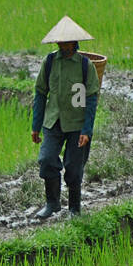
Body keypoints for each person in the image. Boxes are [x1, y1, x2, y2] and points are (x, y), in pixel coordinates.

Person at [31, 16, 100, 219]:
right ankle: (52, 204)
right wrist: (36, 126)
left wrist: (87, 130)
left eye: (66, 41)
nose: (63, 45)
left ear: (74, 42)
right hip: (53, 121)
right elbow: (40, 93)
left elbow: (91, 99)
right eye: (60, 42)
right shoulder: (50, 62)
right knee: (46, 159)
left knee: (73, 167)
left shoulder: (85, 66)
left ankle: (74, 209)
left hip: (77, 124)